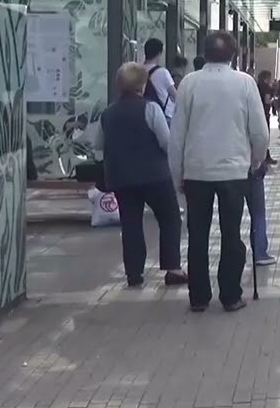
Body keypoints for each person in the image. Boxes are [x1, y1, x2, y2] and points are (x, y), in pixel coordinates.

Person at [169, 31, 270, 312]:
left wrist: (177, 175)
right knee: (231, 235)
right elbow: (260, 133)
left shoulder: (189, 83)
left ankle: (199, 297)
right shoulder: (245, 83)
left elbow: (177, 135)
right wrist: (255, 162)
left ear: (204, 53)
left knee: (198, 235)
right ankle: (230, 295)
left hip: (197, 171)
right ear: (234, 54)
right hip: (234, 172)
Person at [94, 62, 185, 288]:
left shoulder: (107, 114)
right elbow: (166, 142)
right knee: (170, 217)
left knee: (131, 224)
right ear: (142, 85)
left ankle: (134, 274)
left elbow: (98, 147)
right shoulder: (150, 108)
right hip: (154, 175)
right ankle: (172, 268)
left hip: (122, 178)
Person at [141, 38, 176, 122]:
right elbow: (175, 95)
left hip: (144, 113)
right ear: (159, 53)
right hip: (163, 114)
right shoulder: (163, 72)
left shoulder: (138, 70)